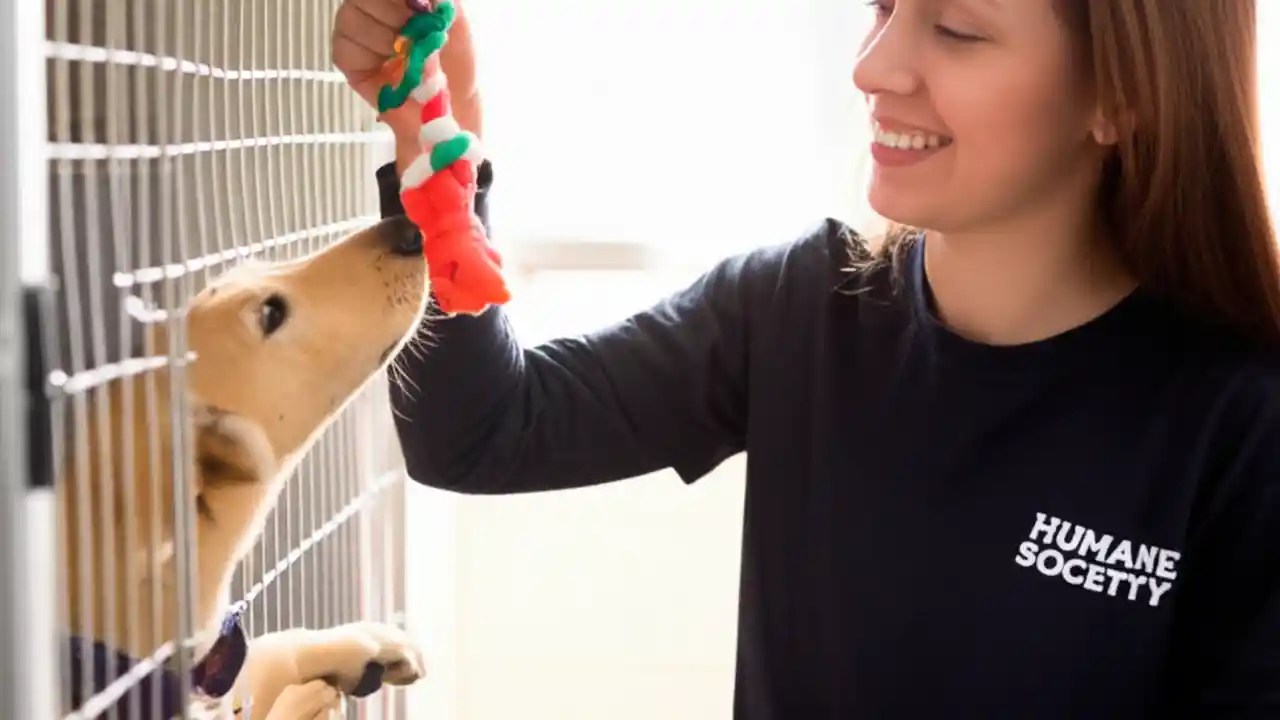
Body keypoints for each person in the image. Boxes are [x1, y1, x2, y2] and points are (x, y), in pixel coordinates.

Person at [333, 0, 1280, 716]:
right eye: (882, 8)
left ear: (1121, 93)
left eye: (954, 29)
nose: (873, 67)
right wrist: (436, 149)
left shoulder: (1241, 426)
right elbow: (481, 433)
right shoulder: (801, 305)